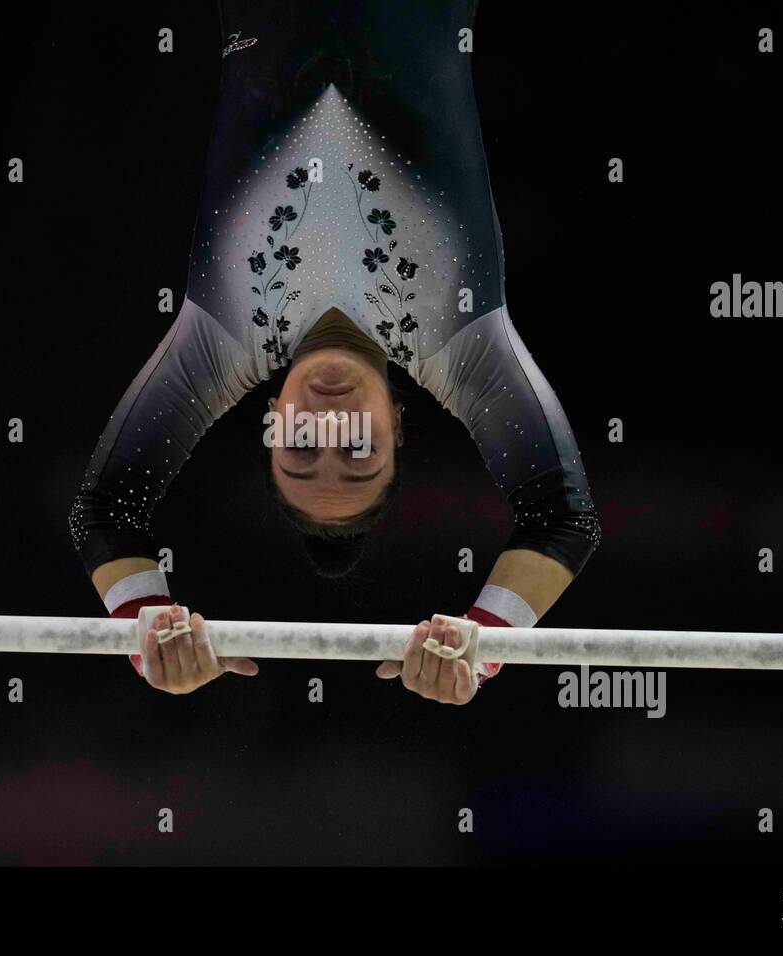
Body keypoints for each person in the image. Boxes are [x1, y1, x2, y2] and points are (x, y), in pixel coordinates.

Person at [68, 0, 601, 704]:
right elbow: (566, 519)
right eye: (358, 455)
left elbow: (103, 511)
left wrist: (147, 638)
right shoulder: (462, 345)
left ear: (269, 426)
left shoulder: (219, 339)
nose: (328, 429)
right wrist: (482, 643)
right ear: (400, 433)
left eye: (300, 451)